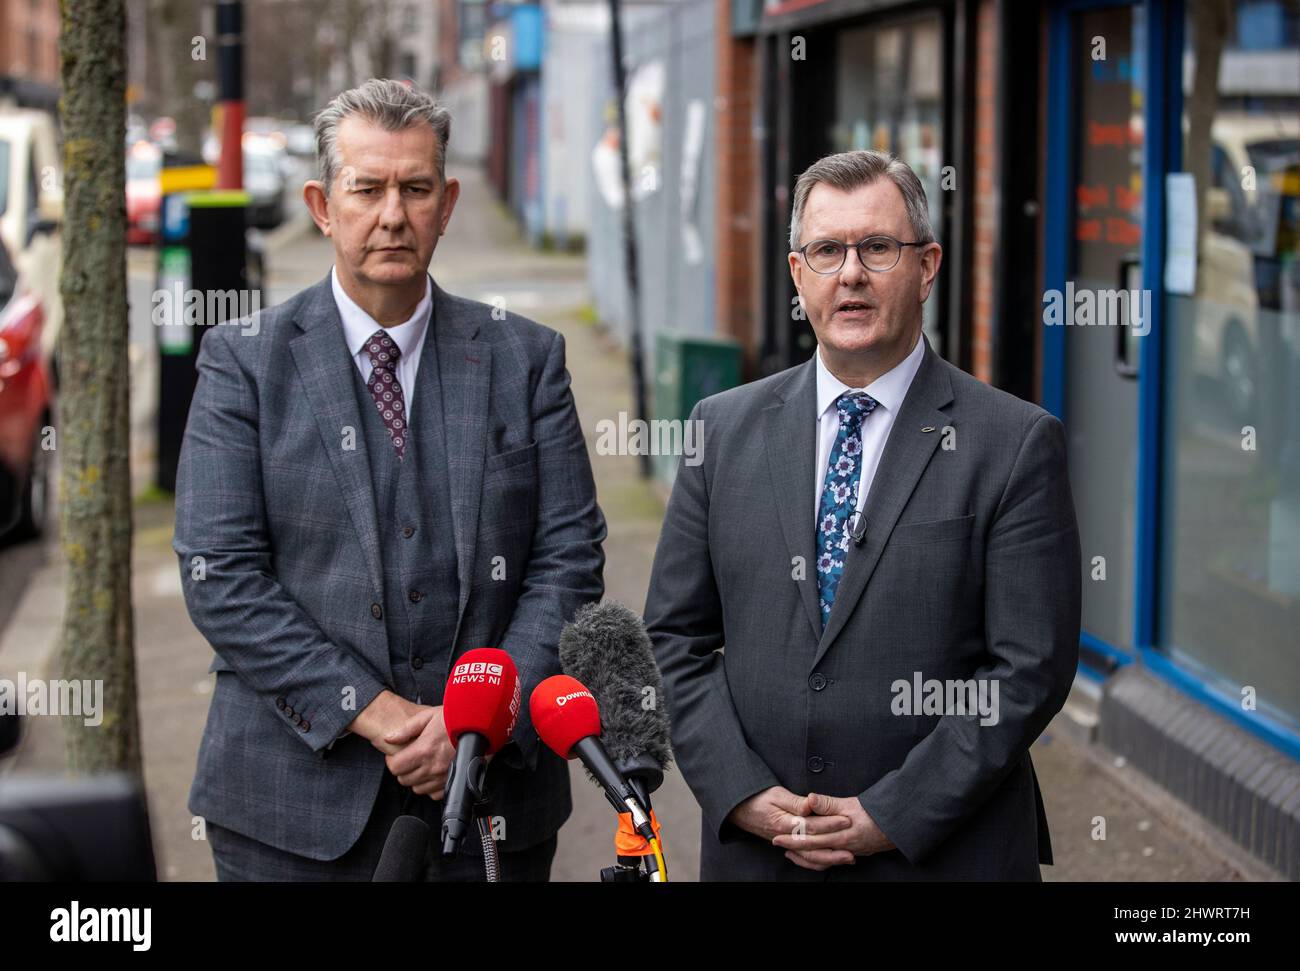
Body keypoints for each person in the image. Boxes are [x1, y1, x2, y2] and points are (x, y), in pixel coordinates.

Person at [173, 79, 606, 880]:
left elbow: (569, 561)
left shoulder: (527, 359)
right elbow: (222, 574)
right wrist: (375, 713)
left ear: (447, 202)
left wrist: (477, 721)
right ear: (321, 203)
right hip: (287, 818)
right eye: (366, 188)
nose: (392, 214)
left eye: (414, 188)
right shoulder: (242, 362)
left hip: (493, 810)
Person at [644, 149, 1081, 880]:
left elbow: (1028, 668)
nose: (850, 272)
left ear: (928, 264)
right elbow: (674, 637)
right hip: (761, 855)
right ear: (796, 272)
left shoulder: (1013, 443)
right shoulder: (718, 430)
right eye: (826, 250)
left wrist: (894, 813)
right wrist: (742, 791)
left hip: (941, 854)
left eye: (877, 247)